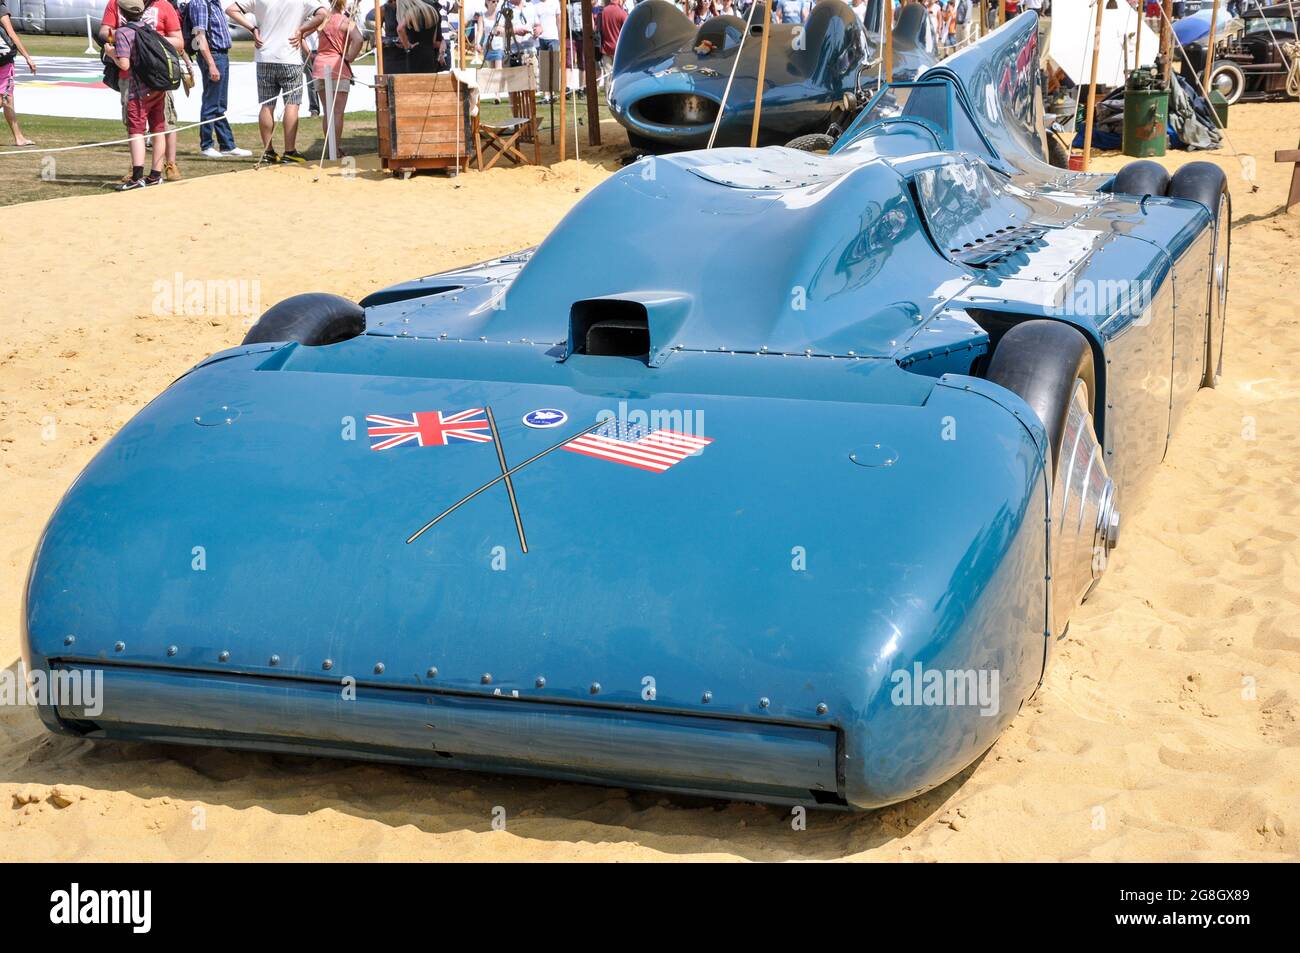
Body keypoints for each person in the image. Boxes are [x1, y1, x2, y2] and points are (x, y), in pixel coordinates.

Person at [226, 0, 328, 164]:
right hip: (290, 57)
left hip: (264, 56)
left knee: (267, 104)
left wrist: (253, 28)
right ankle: (289, 150)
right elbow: (323, 14)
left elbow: (231, 10)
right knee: (292, 103)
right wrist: (301, 30)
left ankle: (268, 151)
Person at [100, 0, 185, 179]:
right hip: (134, 79)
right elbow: (104, 32)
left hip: (155, 77)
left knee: (155, 125)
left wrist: (139, 40)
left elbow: (179, 42)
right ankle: (147, 171)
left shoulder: (164, 6)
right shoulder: (116, 3)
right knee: (147, 126)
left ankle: (164, 166)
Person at [110, 0, 168, 189]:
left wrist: (111, 54)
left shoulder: (123, 33)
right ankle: (156, 174)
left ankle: (137, 177)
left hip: (138, 90)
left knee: (136, 130)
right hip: (158, 87)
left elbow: (124, 64)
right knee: (158, 129)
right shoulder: (151, 30)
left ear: (122, 13)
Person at [187, 0, 253, 157]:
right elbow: (199, 35)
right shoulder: (201, 4)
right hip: (214, 55)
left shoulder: (214, 4)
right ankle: (207, 145)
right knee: (211, 102)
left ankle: (227, 144)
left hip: (221, 54)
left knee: (219, 103)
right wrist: (211, 64)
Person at [310, 0, 361, 155]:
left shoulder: (322, 19)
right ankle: (335, 149)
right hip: (338, 66)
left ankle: (331, 148)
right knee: (337, 112)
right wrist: (350, 57)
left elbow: (302, 34)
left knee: (327, 111)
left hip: (320, 65)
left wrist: (310, 54)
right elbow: (358, 39)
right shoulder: (346, 21)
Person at [0, 0, 36, 146]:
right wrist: (27, 57)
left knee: (9, 99)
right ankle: (19, 138)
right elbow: (11, 34)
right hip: (4, 60)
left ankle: (18, 137)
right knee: (4, 100)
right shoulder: (1, 9)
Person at [397, 0, 443, 72]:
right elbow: (435, 40)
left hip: (415, 54)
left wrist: (407, 46)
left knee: (415, 81)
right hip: (430, 53)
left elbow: (400, 29)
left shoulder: (411, 12)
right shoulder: (432, 9)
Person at [598, 0, 625, 89]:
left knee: (607, 77)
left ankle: (608, 100)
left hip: (605, 49)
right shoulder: (622, 13)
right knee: (620, 77)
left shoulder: (603, 12)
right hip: (619, 51)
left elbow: (598, 30)